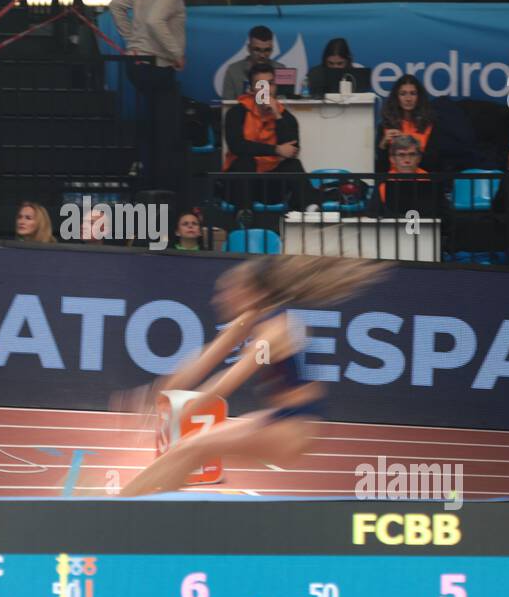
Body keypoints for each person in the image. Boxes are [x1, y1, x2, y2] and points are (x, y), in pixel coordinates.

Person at [118, 255, 388, 496]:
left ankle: (126, 515)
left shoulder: (276, 332)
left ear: (253, 293)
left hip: (296, 428)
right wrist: (156, 394)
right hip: (277, 419)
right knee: (187, 449)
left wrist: (176, 416)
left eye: (228, 291)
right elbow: (204, 358)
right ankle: (121, 506)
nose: (219, 298)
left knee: (192, 449)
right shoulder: (251, 318)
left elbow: (228, 380)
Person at [109, 0, 193, 194]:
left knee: (151, 123)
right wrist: (176, 54)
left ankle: (147, 178)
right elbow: (156, 21)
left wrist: (130, 40)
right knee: (167, 127)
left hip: (137, 63)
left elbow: (116, 5)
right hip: (157, 63)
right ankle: (164, 187)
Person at [223, 62, 305, 208]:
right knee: (245, 162)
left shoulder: (286, 117)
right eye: (260, 85)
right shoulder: (236, 113)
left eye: (270, 84)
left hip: (270, 182)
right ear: (251, 89)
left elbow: (292, 150)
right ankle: (244, 214)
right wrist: (276, 150)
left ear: (275, 87)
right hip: (240, 183)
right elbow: (237, 146)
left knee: (293, 165)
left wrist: (277, 115)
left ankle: (308, 210)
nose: (266, 89)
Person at [369, 134, 437, 218]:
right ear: (392, 159)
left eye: (412, 154)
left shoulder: (430, 181)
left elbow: (440, 214)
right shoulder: (383, 183)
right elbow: (372, 214)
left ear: (419, 158)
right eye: (401, 155)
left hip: (424, 230)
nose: (407, 160)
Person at [377, 74, 434, 170]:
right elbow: (379, 169)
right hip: (392, 181)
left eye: (413, 93)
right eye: (403, 94)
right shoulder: (386, 125)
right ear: (396, 97)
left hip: (421, 180)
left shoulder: (429, 125)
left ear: (419, 97)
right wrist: (383, 145)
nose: (408, 99)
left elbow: (434, 164)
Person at [220, 25, 284, 101]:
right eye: (257, 50)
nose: (262, 55)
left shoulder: (280, 69)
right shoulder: (234, 70)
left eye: (267, 50)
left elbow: (286, 102)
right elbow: (227, 104)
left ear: (272, 49)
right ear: (249, 48)